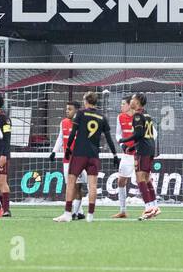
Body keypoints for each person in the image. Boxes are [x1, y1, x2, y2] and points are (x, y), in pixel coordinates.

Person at [56, 91, 117, 223]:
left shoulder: (81, 114)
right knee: (92, 185)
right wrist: (115, 154)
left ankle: (67, 213)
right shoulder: (102, 117)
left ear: (86, 101)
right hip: (93, 155)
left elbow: (73, 133)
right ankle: (90, 215)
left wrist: (67, 149)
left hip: (79, 154)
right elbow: (109, 139)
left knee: (71, 182)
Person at [119, 92, 160, 220]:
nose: (130, 101)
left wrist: (124, 141)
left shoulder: (137, 115)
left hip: (143, 149)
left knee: (140, 178)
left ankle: (148, 208)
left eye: (132, 99)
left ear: (136, 102)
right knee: (147, 178)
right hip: (150, 147)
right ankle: (154, 206)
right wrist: (132, 147)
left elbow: (138, 134)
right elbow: (146, 134)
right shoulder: (146, 114)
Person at [50, 100, 77, 212]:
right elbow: (60, 138)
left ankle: (77, 210)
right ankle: (76, 211)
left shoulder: (80, 123)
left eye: (69, 109)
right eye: (66, 109)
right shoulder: (63, 122)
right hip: (67, 159)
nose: (67, 111)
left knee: (78, 186)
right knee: (69, 185)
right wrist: (54, 151)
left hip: (79, 159)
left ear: (76, 110)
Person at [113, 97, 138, 218]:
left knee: (143, 181)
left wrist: (138, 147)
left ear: (130, 105)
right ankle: (123, 211)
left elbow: (153, 134)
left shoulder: (140, 117)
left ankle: (150, 208)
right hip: (127, 155)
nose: (121, 106)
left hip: (139, 155)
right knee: (121, 181)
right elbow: (118, 134)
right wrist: (122, 144)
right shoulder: (120, 117)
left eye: (123, 104)